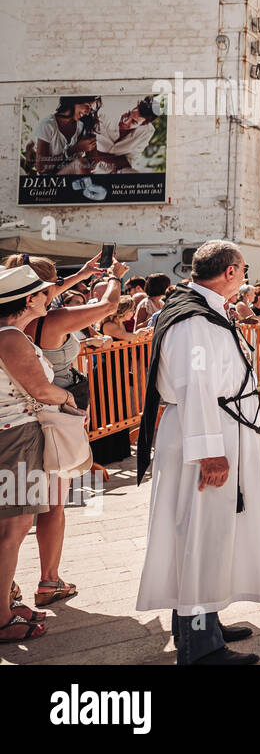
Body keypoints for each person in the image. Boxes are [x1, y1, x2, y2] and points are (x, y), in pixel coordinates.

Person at [135, 241, 260, 665]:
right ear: (230, 271)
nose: (246, 276)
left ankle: (204, 620)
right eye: (244, 269)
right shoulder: (193, 320)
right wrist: (210, 452)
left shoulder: (201, 308)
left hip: (216, 428)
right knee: (198, 536)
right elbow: (195, 387)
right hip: (205, 436)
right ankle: (200, 648)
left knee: (210, 535)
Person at [5, 253, 130, 598]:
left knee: (12, 511)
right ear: (36, 294)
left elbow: (49, 292)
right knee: (49, 504)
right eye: (51, 284)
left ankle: (7, 584)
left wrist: (82, 274)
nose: (56, 288)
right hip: (49, 417)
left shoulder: (17, 321)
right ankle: (48, 579)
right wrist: (114, 278)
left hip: (23, 418)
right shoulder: (49, 321)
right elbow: (107, 307)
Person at [0, 265, 82, 642]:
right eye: (44, 293)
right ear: (28, 300)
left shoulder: (11, 334)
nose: (49, 297)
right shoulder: (11, 337)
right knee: (12, 530)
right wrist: (69, 399)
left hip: (12, 434)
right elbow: (41, 389)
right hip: (15, 436)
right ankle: (1, 617)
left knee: (11, 528)